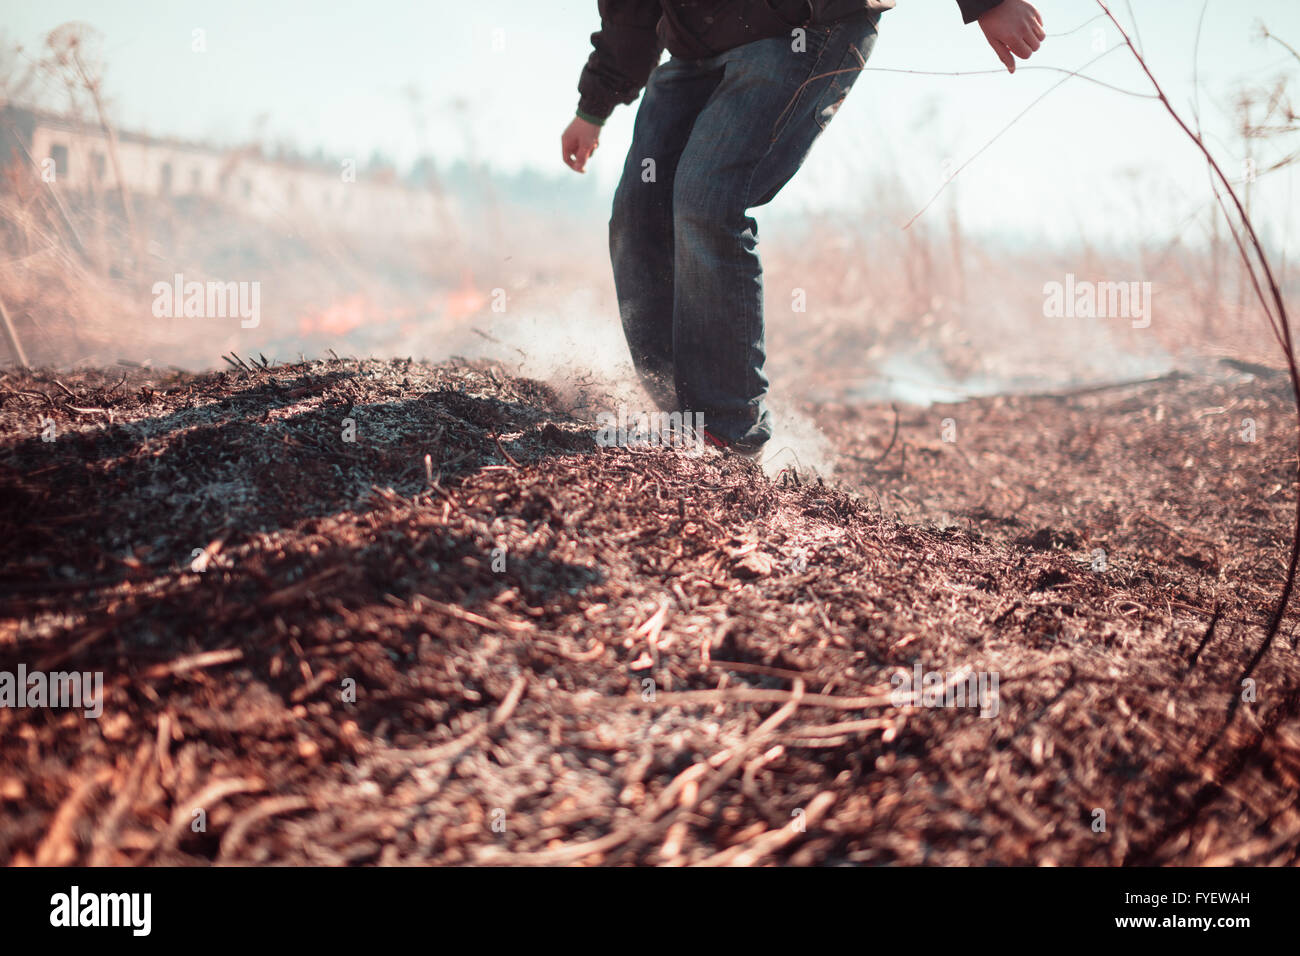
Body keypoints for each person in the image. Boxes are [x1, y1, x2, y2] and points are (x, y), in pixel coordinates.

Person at [561, 0, 1044, 457]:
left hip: (804, 25)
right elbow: (630, 13)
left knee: (707, 198)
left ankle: (727, 432)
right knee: (638, 214)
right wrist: (594, 106)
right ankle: (678, 415)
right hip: (695, 48)